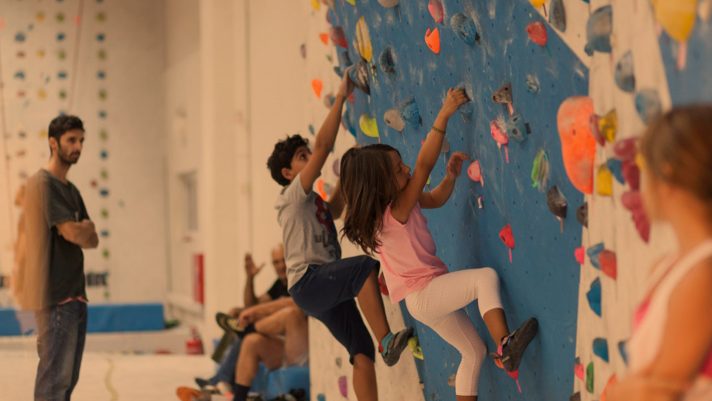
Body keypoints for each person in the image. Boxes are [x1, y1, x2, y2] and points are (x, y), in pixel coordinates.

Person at [339, 88, 538, 401]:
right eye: (397, 170)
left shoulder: (400, 204)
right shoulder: (394, 213)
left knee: (473, 352)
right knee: (484, 278)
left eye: (401, 163)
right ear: (381, 186)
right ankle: (505, 347)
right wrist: (444, 114)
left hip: (422, 302)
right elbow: (422, 166)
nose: (405, 169)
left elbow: (434, 197)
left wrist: (450, 178)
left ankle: (496, 355)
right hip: (425, 294)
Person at [266, 70, 412, 401]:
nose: (311, 158)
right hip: (310, 281)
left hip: (319, 288)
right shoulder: (292, 194)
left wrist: (356, 168)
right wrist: (342, 94)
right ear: (288, 173)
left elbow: (334, 207)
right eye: (302, 157)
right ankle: (387, 340)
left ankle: (377, 349)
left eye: (308, 154)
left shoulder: (311, 201)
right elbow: (324, 145)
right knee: (362, 268)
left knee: (361, 353)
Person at [607, 106, 712, 401]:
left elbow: (654, 395)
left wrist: (619, 394)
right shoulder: (669, 267)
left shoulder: (702, 276)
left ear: (666, 176)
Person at [19, 115, 98, 401]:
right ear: (53, 143)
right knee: (54, 381)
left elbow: (93, 239)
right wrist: (80, 230)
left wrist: (82, 231)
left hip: (76, 295)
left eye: (81, 141)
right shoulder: (44, 184)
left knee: (67, 382)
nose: (78, 147)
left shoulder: (71, 191)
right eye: (71, 140)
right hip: (55, 297)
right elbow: (75, 234)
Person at [195, 245, 292, 393]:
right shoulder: (279, 283)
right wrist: (250, 278)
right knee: (237, 315)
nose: (280, 266)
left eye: (283, 260)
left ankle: (221, 380)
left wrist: (252, 313)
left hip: (288, 341)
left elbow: (281, 309)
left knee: (246, 331)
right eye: (276, 262)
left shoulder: (296, 282)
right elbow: (253, 303)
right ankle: (222, 379)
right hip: (271, 333)